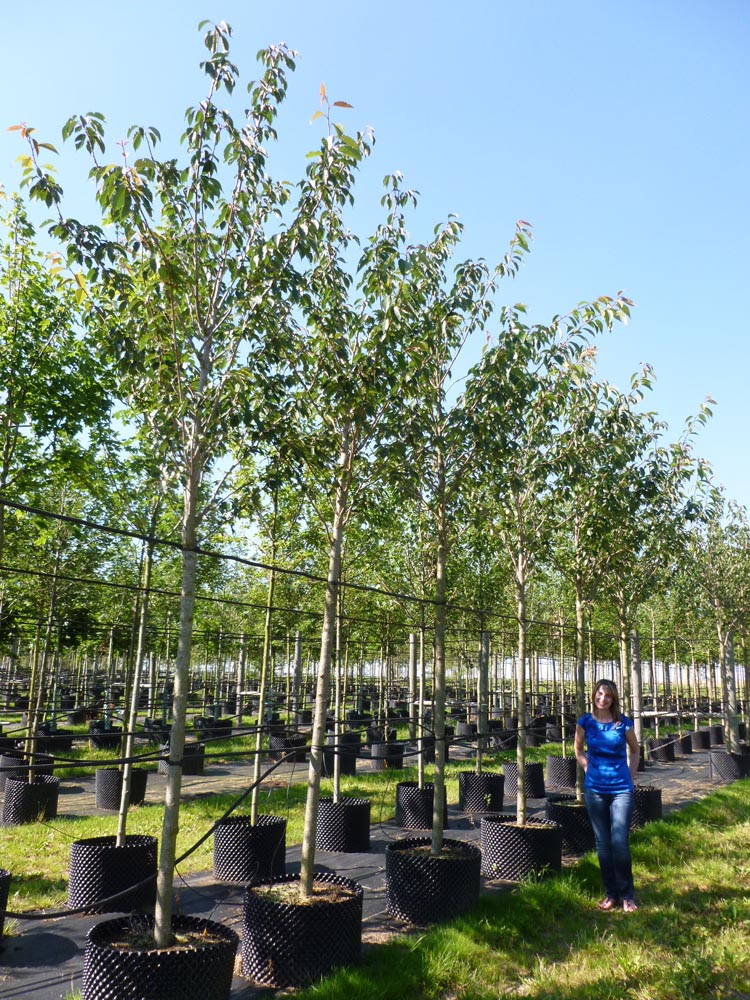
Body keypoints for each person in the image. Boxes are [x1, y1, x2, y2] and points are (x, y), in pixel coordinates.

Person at [575, 678, 640, 913]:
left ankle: (627, 895)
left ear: (614, 699)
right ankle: (610, 894)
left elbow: (635, 750)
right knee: (603, 844)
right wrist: (585, 767)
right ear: (594, 695)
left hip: (621, 789)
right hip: (595, 790)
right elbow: (578, 748)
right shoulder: (585, 722)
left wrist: (630, 775)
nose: (603, 699)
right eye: (599, 694)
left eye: (608, 696)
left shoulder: (623, 723)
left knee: (619, 842)